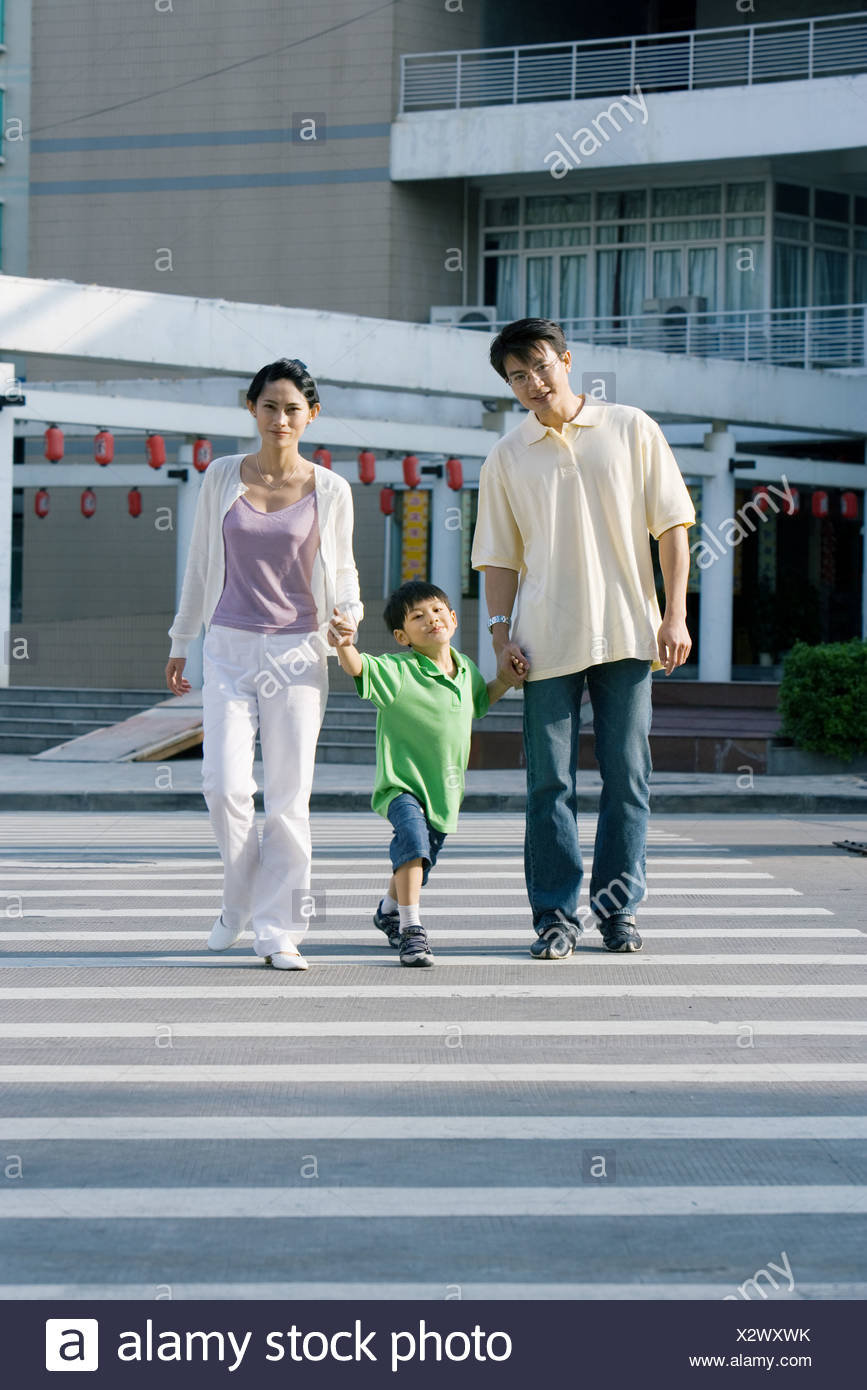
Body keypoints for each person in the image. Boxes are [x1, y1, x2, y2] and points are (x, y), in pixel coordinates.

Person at [471, 317, 695, 960]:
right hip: (543, 643)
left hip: (628, 633)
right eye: (518, 377)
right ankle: (554, 916)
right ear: (509, 387)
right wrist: (498, 636)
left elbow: (674, 527)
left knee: (628, 777)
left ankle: (617, 910)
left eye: (541, 366)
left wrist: (674, 616)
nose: (534, 383)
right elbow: (498, 559)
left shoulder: (631, 429)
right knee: (549, 784)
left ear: (567, 360)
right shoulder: (507, 456)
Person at [165, 357, 363, 971]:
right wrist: (180, 640)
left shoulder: (329, 488)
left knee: (287, 799)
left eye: (293, 408)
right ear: (251, 408)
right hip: (227, 645)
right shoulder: (222, 475)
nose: (281, 418)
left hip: (300, 649)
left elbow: (344, 566)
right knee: (223, 787)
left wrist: (348, 615)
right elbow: (200, 562)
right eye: (270, 406)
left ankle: (277, 930)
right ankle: (239, 899)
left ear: (312, 416)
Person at [329, 581, 517, 967]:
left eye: (436, 611)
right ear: (402, 636)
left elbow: (480, 701)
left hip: (445, 791)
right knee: (413, 842)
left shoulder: (464, 669)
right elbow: (360, 667)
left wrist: (506, 681)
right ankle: (412, 931)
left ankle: (388, 910)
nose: (430, 619)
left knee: (418, 858)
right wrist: (345, 645)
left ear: (452, 618)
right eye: (417, 616)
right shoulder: (398, 670)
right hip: (402, 786)